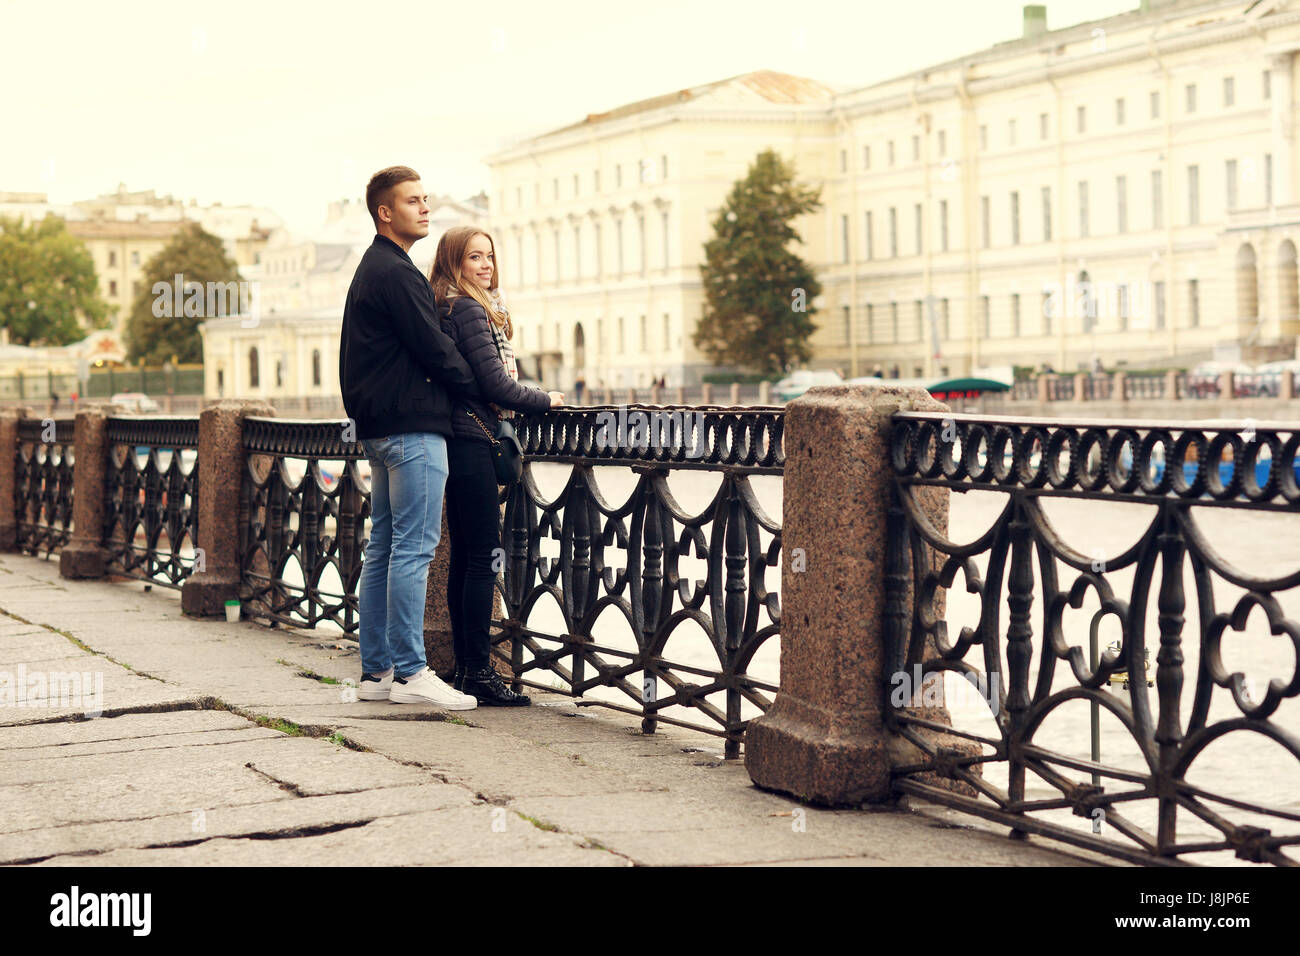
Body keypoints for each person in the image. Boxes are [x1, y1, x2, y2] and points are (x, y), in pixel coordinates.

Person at [339, 166, 479, 711]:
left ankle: (377, 672)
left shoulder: (373, 268)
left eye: (426, 200)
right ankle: (412, 672)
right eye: (413, 201)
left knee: (384, 546)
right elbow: (436, 351)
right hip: (413, 427)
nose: (425, 209)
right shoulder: (397, 273)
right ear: (384, 212)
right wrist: (486, 388)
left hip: (381, 429)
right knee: (413, 549)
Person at [431, 226, 563, 706]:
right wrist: (544, 399)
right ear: (454, 263)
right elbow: (495, 384)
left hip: (459, 441)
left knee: (466, 557)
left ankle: (467, 670)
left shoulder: (448, 306)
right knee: (482, 556)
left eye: (489, 256)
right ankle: (478, 672)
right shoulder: (467, 310)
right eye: (474, 258)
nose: (486, 266)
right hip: (473, 441)